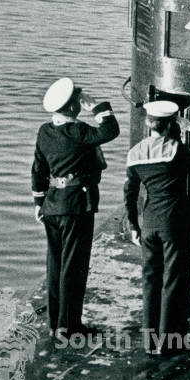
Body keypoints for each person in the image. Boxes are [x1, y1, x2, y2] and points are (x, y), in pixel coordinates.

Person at [124, 100, 190, 355]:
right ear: (169, 125)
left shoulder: (135, 154)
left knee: (150, 281)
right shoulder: (177, 150)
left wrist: (133, 225)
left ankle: (149, 341)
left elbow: (129, 194)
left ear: (148, 123)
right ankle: (170, 343)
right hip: (174, 224)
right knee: (173, 281)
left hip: (149, 224)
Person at [31, 77, 120, 337]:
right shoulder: (79, 132)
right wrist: (97, 107)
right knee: (74, 266)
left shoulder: (44, 131)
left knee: (55, 265)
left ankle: (55, 322)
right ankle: (69, 327)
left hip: (51, 206)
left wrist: (39, 202)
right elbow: (109, 131)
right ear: (72, 108)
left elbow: (38, 169)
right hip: (76, 207)